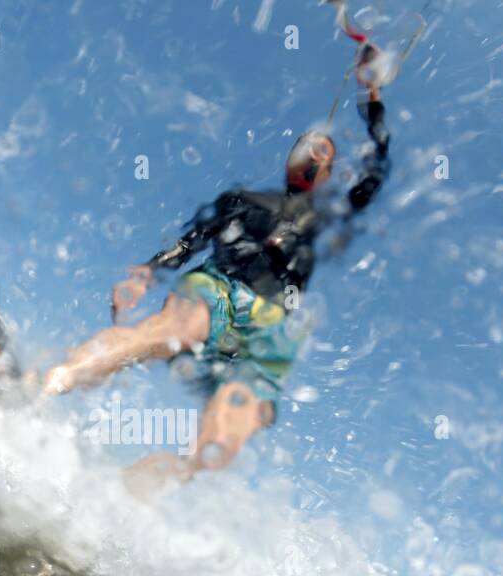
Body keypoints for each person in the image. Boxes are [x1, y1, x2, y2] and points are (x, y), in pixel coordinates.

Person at [41, 68, 392, 493]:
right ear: (290, 159)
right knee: (174, 330)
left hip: (271, 333)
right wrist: (148, 273)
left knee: (215, 451)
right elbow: (192, 241)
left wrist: (372, 96)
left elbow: (376, 168)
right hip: (221, 292)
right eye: (306, 144)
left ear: (330, 175)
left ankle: (119, 492)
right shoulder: (243, 201)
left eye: (325, 152)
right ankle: (51, 384)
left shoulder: (325, 216)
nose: (314, 151)